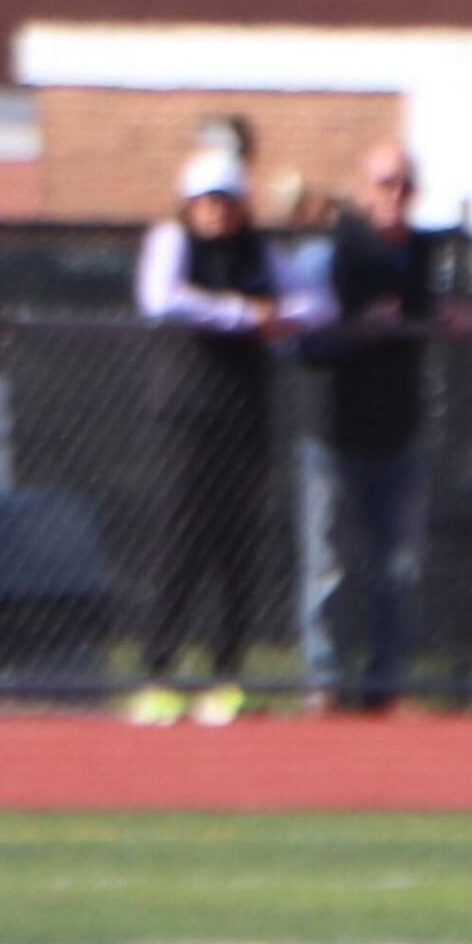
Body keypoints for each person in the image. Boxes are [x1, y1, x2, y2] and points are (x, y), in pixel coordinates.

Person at [128, 151, 313, 725]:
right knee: (179, 543)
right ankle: (156, 675)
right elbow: (162, 298)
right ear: (189, 204)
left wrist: (284, 315)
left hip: (244, 416)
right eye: (207, 200)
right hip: (186, 418)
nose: (217, 212)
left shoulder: (260, 250)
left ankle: (226, 677)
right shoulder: (171, 241)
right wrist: (244, 313)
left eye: (227, 200)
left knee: (238, 550)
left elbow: (312, 301)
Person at [296, 142, 465, 715]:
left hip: (400, 432)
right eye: (385, 183)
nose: (395, 196)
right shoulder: (336, 250)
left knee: (402, 568)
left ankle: (385, 685)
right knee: (330, 566)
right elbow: (306, 337)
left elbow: (427, 312)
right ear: (365, 188)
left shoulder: (420, 252)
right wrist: (357, 329)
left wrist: (437, 319)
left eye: (404, 185)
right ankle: (325, 681)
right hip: (336, 434)